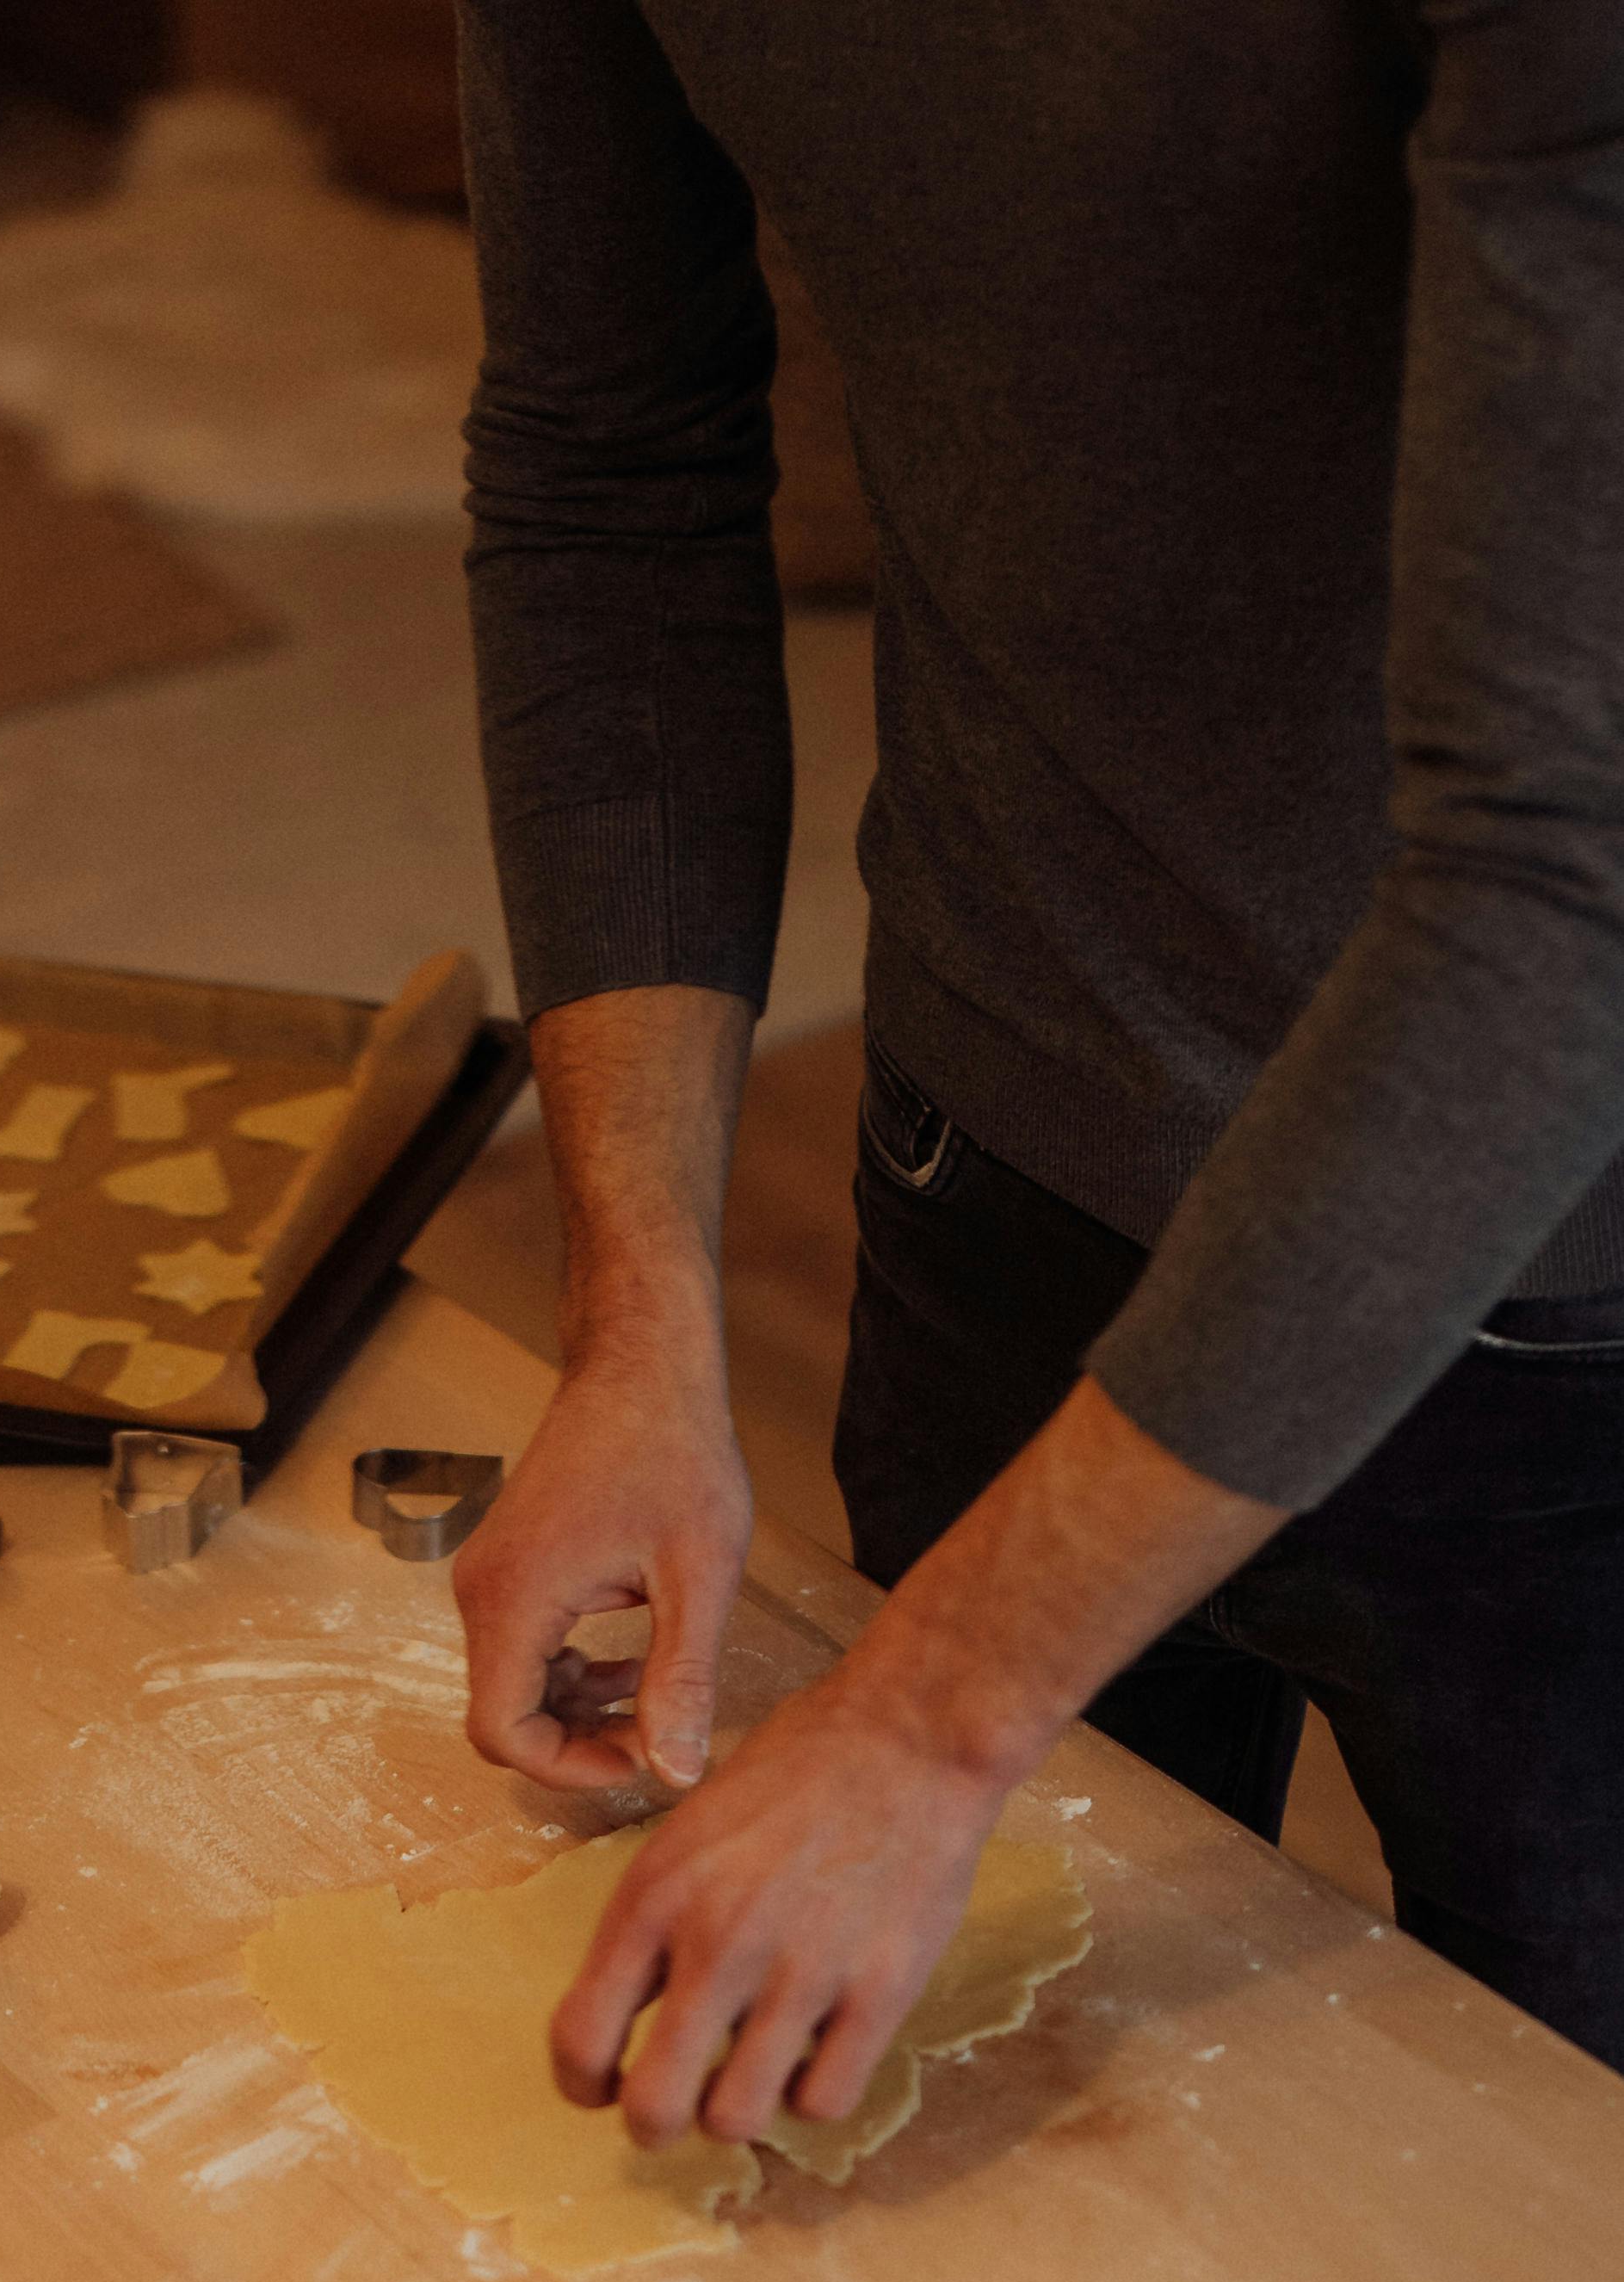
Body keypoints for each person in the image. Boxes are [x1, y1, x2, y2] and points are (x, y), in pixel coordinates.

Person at [448, 0, 1624, 2150]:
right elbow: (605, 471)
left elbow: (1564, 873)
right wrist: (641, 1316)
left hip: (1564, 1287)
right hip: (993, 1156)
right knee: (1019, 2230)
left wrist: (922, 1723)